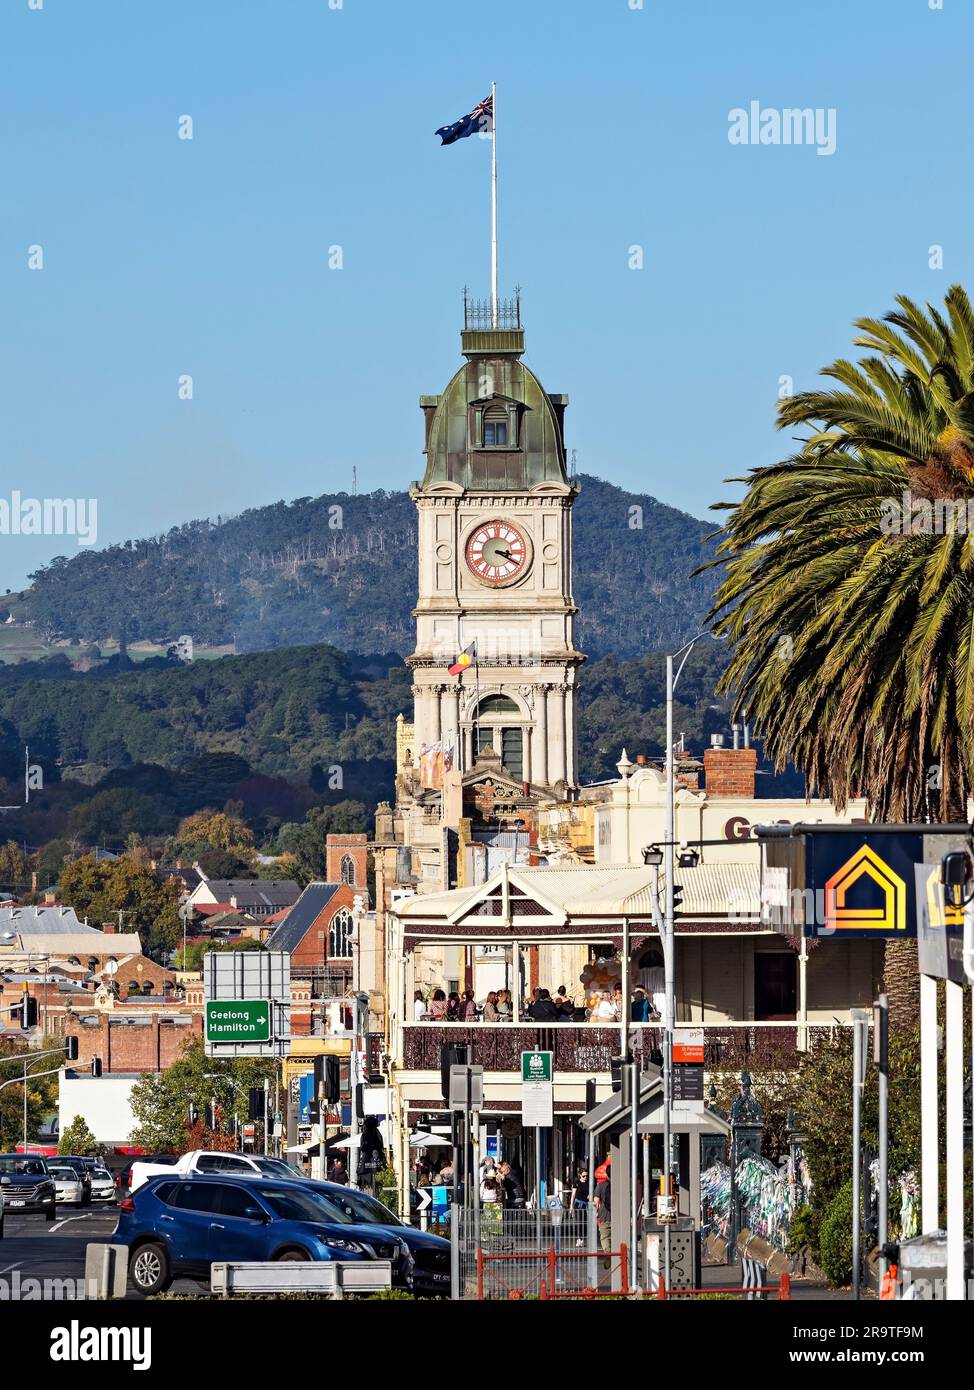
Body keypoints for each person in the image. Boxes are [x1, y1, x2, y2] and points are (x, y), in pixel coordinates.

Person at [594, 1166, 612, 1264]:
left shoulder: (600, 1186)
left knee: (604, 1237)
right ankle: (616, 1255)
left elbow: (596, 1202)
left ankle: (608, 1253)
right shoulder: (619, 1185)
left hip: (604, 1216)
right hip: (617, 1217)